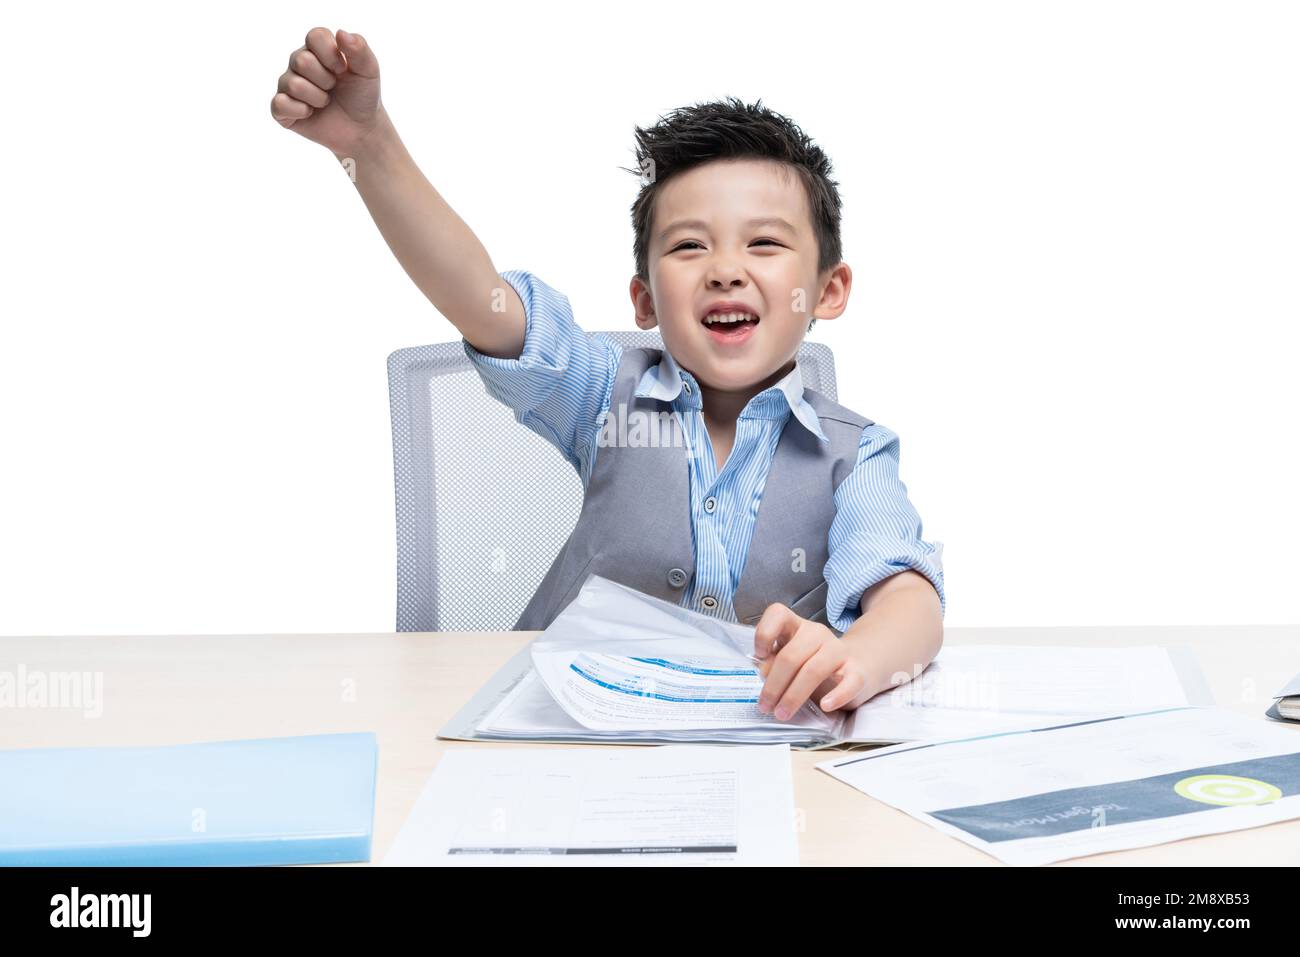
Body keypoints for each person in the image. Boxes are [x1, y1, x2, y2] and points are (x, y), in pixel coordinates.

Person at [271, 27, 945, 720]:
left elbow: (907, 598)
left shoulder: (856, 455)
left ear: (828, 291)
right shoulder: (603, 395)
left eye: (764, 243)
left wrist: (857, 657)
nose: (725, 269)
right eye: (689, 246)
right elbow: (483, 299)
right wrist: (368, 145)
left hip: (760, 759)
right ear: (645, 300)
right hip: (562, 743)